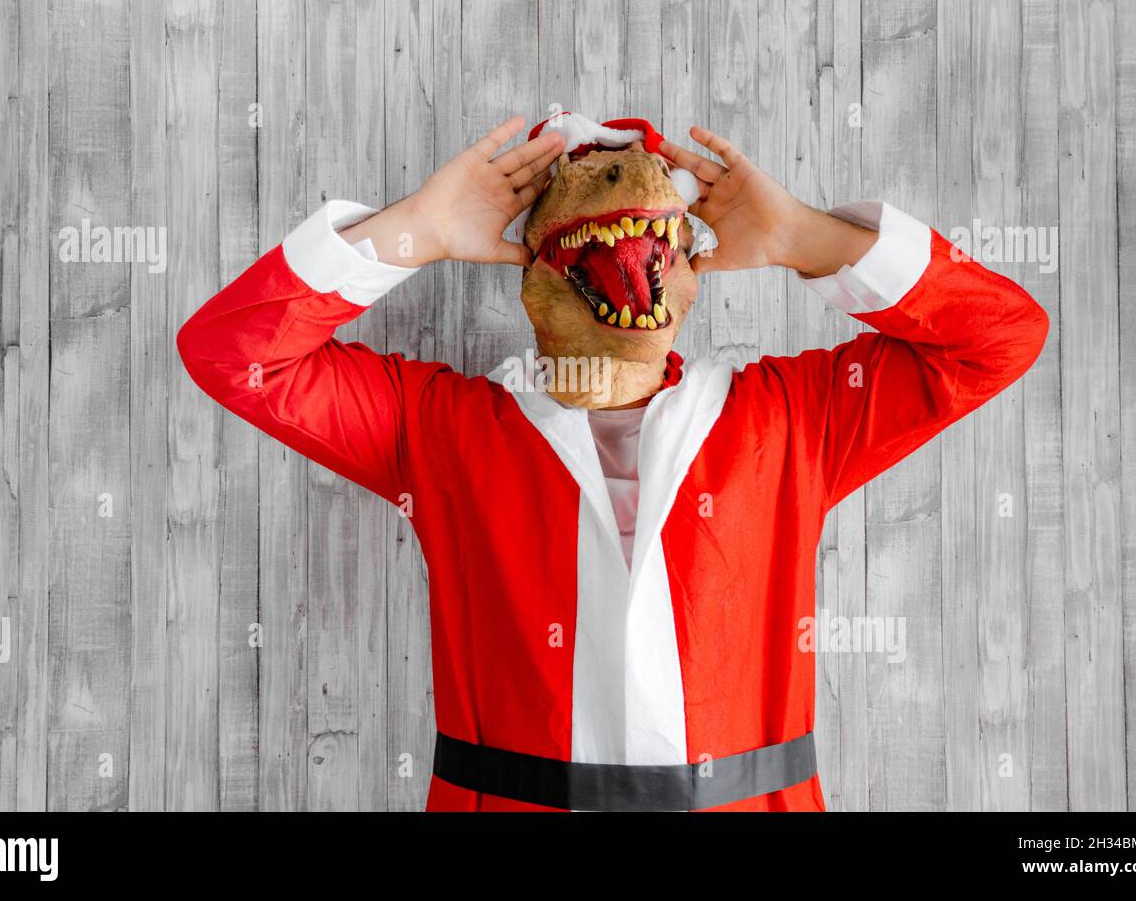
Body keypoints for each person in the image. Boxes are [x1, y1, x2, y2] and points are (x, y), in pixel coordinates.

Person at [177, 113, 1049, 811]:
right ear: (532, 275)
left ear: (691, 271)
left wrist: (804, 238)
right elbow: (230, 353)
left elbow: (1000, 338)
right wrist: (417, 230)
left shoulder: (790, 420)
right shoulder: (440, 429)